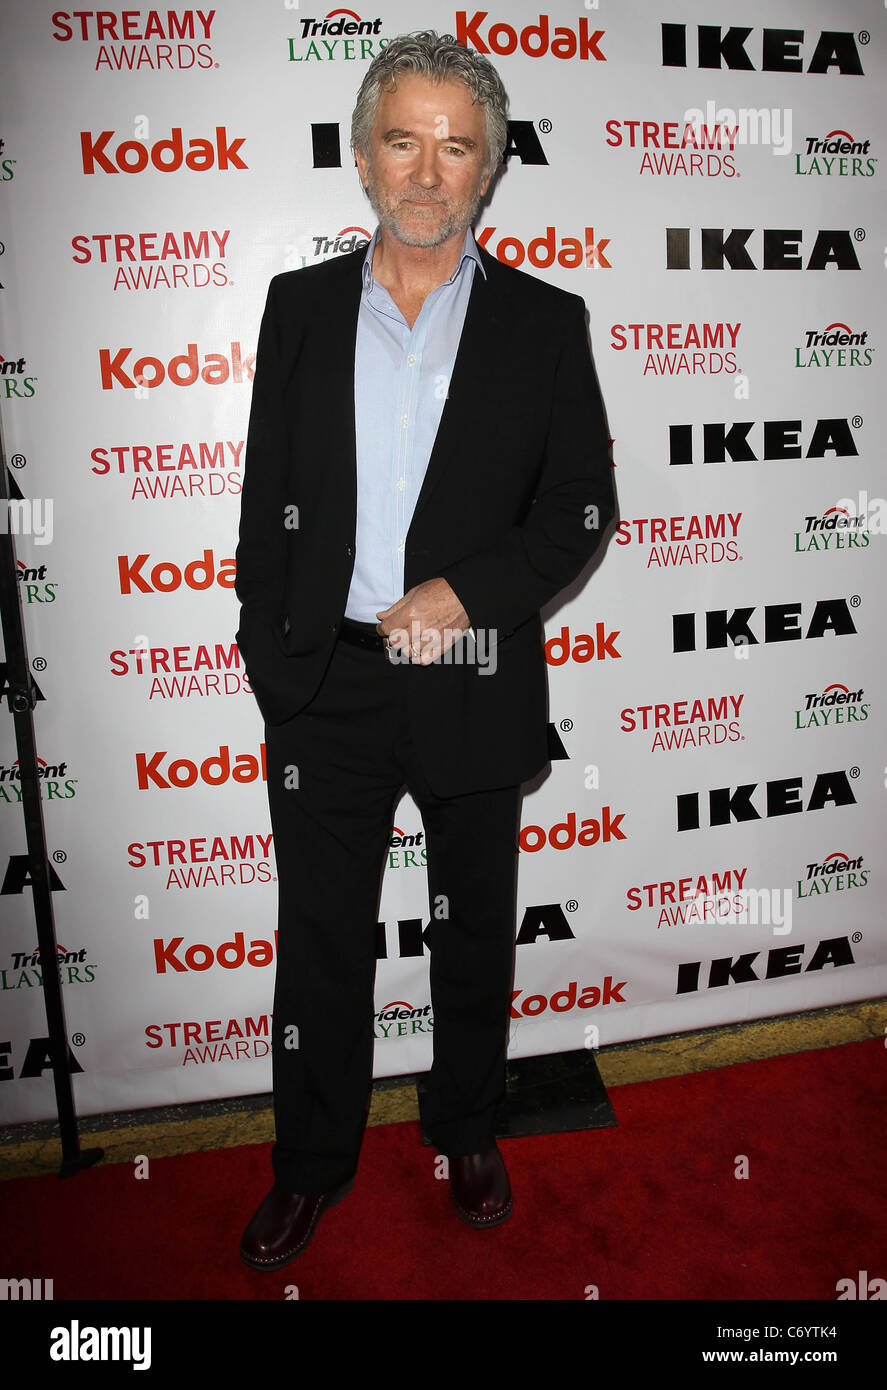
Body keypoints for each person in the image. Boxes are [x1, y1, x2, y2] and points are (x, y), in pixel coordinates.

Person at [235, 29, 614, 1270]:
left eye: (459, 147)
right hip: (327, 681)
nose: (428, 170)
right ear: (361, 156)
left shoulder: (546, 324)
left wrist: (463, 593)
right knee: (324, 940)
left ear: (489, 171)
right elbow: (262, 508)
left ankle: (465, 1128)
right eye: (404, 138)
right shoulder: (295, 312)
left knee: (470, 928)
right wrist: (274, 662)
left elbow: (576, 511)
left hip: (469, 672)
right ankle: (309, 1166)